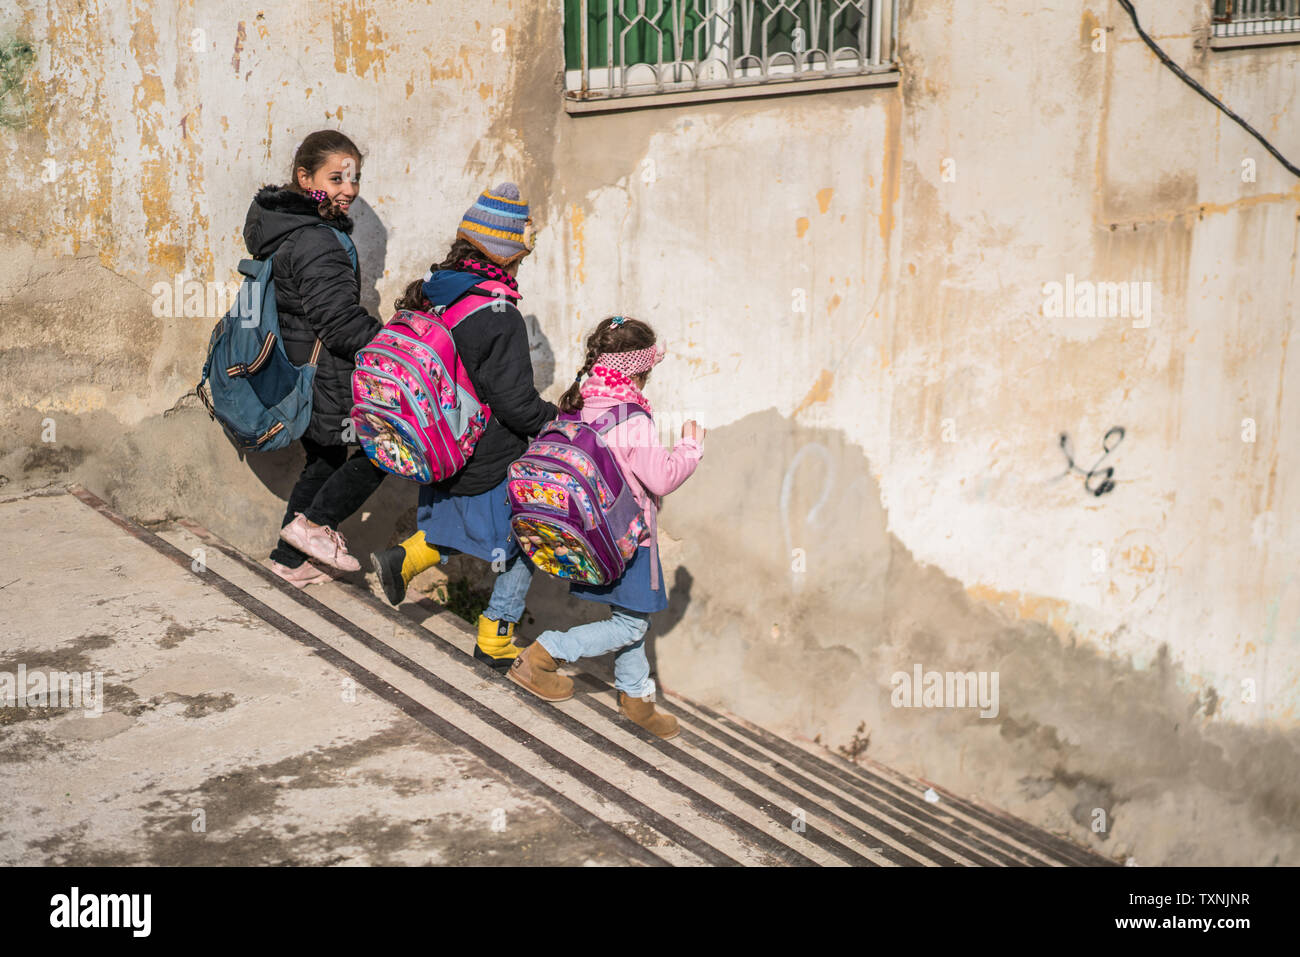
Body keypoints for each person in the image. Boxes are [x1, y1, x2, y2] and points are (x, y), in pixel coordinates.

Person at [370, 184, 555, 670]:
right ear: (509, 254)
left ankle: (402, 561)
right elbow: (515, 404)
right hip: (486, 455)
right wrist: (555, 422)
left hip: (435, 446)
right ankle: (495, 637)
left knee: (457, 523)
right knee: (524, 543)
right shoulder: (500, 315)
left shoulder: (435, 290)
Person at [507, 316, 705, 739]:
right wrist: (691, 446)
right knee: (632, 623)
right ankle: (545, 654)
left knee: (629, 617)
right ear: (639, 370)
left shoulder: (580, 401)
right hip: (629, 538)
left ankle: (637, 699)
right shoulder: (633, 417)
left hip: (589, 535)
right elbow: (662, 479)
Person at [242, 130, 387, 585]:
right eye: (336, 178)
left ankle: (289, 560)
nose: (349, 189)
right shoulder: (318, 240)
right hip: (321, 370)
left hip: (300, 366)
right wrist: (396, 347)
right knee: (382, 449)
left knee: (324, 460)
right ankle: (313, 527)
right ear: (306, 178)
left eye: (355, 178)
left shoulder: (290, 226)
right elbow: (339, 323)